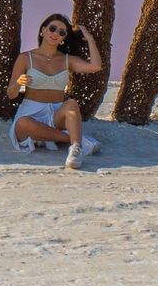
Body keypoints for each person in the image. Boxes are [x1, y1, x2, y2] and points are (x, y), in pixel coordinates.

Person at [10, 11, 106, 170]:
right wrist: (18, 83)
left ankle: (75, 150)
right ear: (43, 30)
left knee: (72, 104)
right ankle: (74, 139)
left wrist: (90, 40)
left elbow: (95, 66)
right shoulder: (26, 57)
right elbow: (11, 93)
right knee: (22, 124)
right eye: (52, 28)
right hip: (31, 112)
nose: (56, 33)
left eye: (61, 32)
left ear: (63, 39)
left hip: (55, 113)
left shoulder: (66, 59)